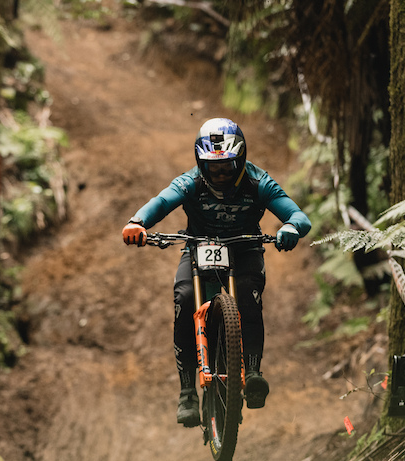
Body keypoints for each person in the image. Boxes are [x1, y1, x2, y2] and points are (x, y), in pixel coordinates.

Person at [121, 117, 311, 427]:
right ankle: (187, 393)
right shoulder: (191, 181)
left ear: (241, 159)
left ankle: (252, 373)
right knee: (184, 299)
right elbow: (163, 201)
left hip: (245, 247)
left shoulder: (258, 182)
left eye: (227, 166)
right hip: (197, 247)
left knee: (249, 299)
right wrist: (138, 222)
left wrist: (290, 226)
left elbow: (298, 215)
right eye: (213, 167)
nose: (220, 174)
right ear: (200, 162)